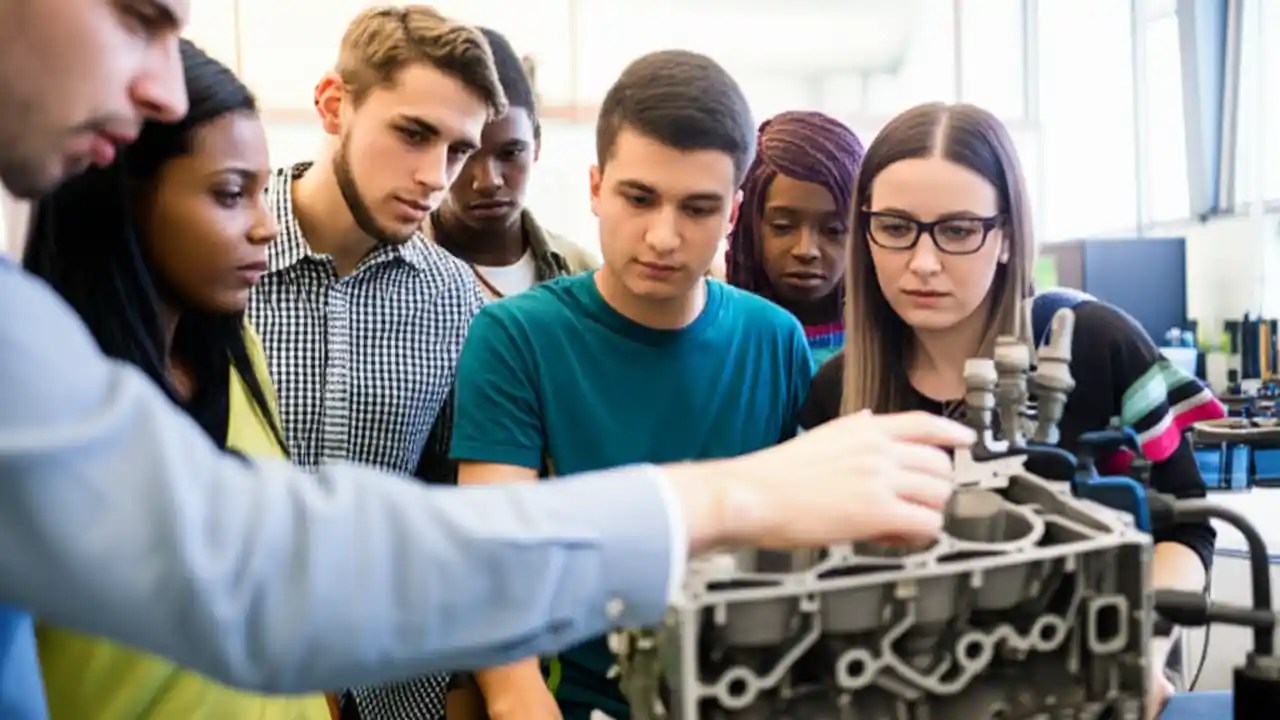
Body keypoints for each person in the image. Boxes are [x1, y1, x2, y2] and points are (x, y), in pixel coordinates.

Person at [0, 1, 976, 717]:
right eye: (134, 17)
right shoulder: (509, 332)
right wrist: (726, 496)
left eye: (461, 148)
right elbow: (260, 560)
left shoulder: (409, 305)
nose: (161, 85)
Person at [796, 101, 1224, 720]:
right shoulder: (836, 393)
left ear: (1006, 239)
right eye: (895, 226)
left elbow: (1188, 527)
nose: (922, 261)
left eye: (959, 229)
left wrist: (1143, 647)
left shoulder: (1097, 347)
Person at [449, 51, 815, 720]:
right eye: (638, 198)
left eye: (698, 208)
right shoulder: (517, 339)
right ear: (595, 186)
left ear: (733, 213)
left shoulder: (776, 340)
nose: (664, 236)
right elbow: (496, 573)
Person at [23, 38, 331, 720]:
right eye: (230, 195)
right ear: (122, 198)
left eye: (262, 191)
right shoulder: (43, 387)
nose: (266, 227)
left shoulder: (237, 351)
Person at [247, 8, 500, 714]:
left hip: (396, 686)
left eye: (457, 150)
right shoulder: (222, 260)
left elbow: (456, 506)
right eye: (413, 134)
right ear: (335, 104)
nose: (435, 176)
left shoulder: (455, 297)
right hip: (240, 676)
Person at [428, 26, 597, 302]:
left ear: (537, 146)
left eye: (510, 153)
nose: (487, 181)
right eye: (464, 152)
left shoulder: (585, 277)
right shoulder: (386, 276)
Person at [725, 111, 864, 366]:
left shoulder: (887, 346)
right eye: (783, 226)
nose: (806, 250)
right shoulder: (720, 337)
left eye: (833, 230)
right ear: (746, 224)